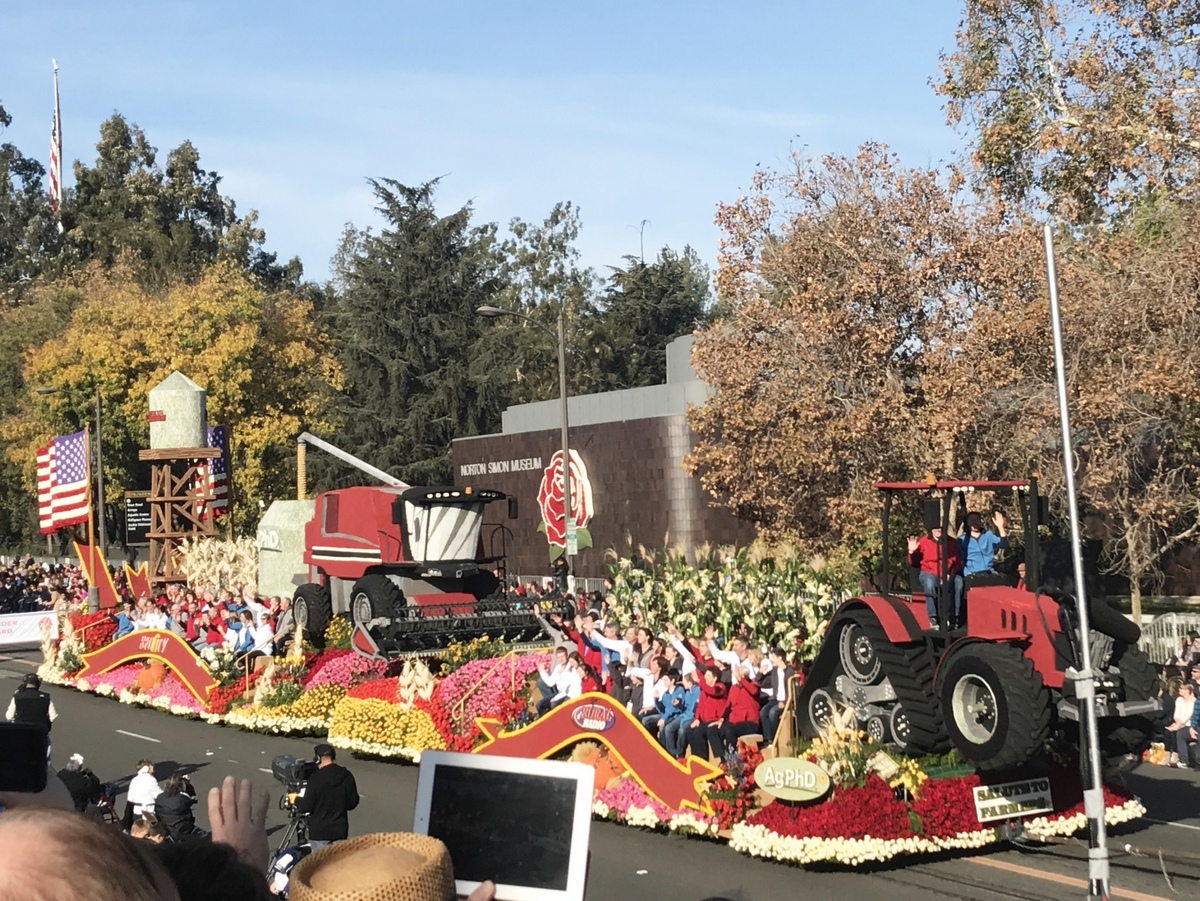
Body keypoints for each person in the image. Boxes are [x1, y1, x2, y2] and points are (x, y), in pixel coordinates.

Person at [296, 744, 359, 848]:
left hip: (320, 833)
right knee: (338, 863)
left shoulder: (315, 779)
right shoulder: (346, 775)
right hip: (339, 830)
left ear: (318, 759)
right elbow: (352, 803)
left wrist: (296, 800)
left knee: (322, 864)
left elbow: (306, 806)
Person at [907, 524, 964, 629]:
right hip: (929, 572)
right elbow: (913, 562)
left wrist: (950, 573)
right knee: (929, 582)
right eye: (935, 527)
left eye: (941, 527)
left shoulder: (952, 542)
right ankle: (933, 617)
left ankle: (954, 617)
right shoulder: (923, 542)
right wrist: (911, 552)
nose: (938, 529)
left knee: (958, 582)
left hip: (947, 573)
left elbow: (957, 562)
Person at [760, 647, 796, 745]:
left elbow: (792, 690)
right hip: (775, 699)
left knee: (773, 712)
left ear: (780, 658)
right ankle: (768, 739)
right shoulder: (774, 671)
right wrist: (761, 672)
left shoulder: (790, 672)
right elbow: (763, 683)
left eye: (774, 657)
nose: (772, 659)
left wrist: (785, 702)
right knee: (764, 712)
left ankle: (775, 737)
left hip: (786, 700)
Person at [959, 510, 1009, 577]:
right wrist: (967, 573)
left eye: (977, 520)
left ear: (980, 522)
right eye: (972, 520)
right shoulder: (962, 539)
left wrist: (1000, 527)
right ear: (967, 523)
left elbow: (1004, 544)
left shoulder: (988, 535)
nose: (974, 522)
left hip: (989, 573)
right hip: (972, 574)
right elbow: (959, 560)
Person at [156, 774, 205, 841]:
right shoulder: (182, 798)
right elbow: (194, 798)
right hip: (184, 829)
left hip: (167, 828)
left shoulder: (159, 797)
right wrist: (188, 784)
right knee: (205, 836)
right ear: (180, 786)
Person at [125, 759, 163, 831]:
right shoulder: (150, 779)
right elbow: (159, 795)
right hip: (148, 814)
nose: (153, 768)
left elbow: (130, 798)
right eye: (151, 766)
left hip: (136, 813)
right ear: (146, 768)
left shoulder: (134, 780)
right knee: (155, 832)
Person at [1166, 681, 1196, 768]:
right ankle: (1170, 754)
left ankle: (1183, 760)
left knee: (1180, 733)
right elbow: (1176, 715)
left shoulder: (1194, 702)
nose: (1179, 690)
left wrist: (1178, 726)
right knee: (1168, 731)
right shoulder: (1179, 700)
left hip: (1190, 725)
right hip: (1179, 723)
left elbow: (1189, 716)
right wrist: (1177, 723)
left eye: (1182, 688)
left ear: (1187, 690)